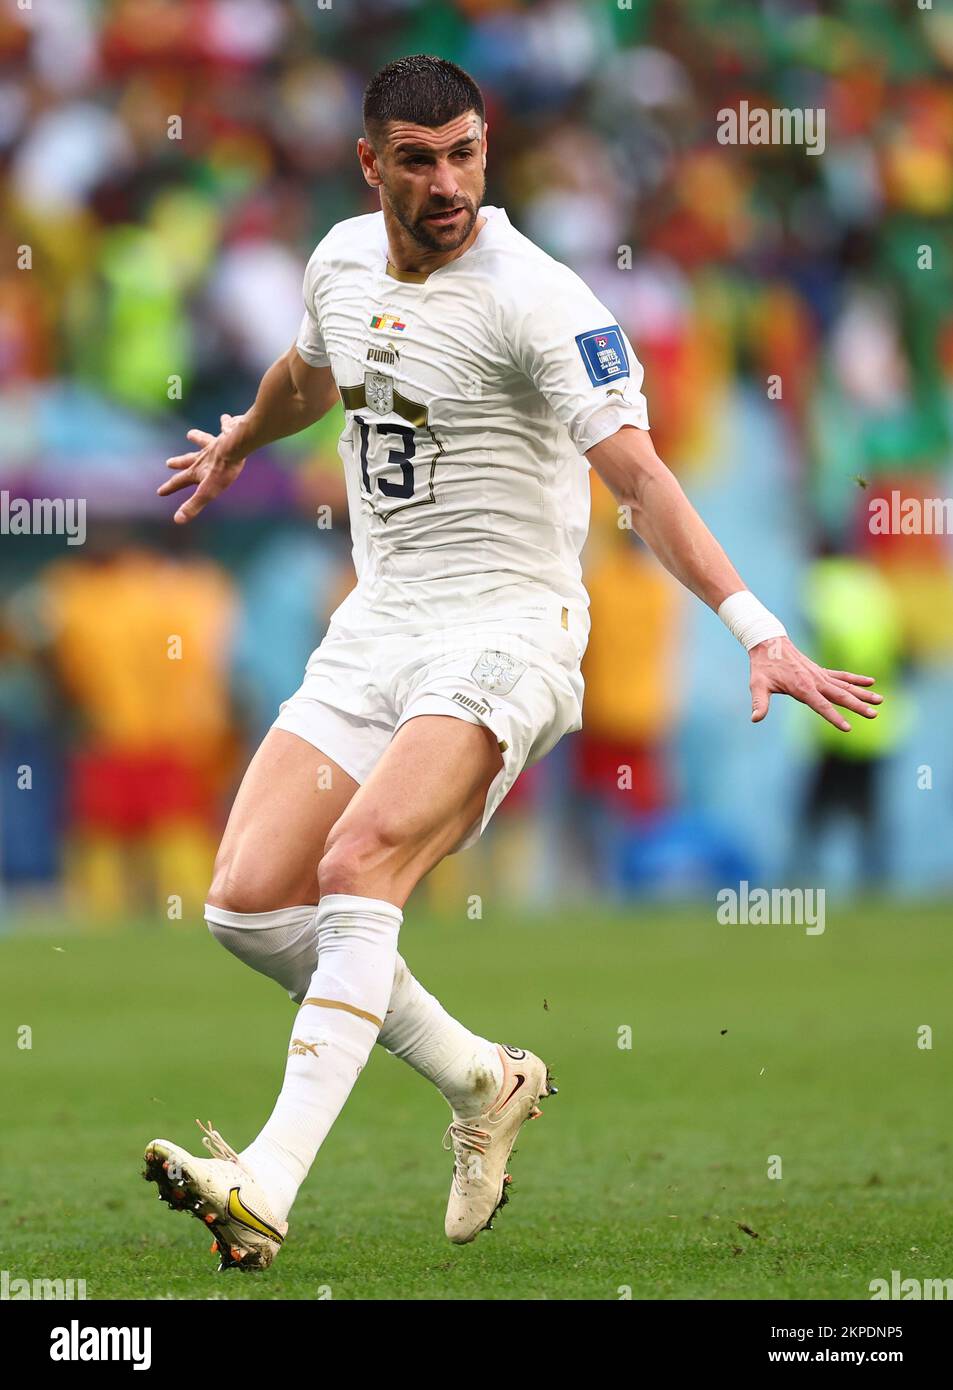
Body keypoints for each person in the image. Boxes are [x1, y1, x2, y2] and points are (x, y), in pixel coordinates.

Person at [143, 55, 882, 1272]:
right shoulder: (334, 259)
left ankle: (264, 1181)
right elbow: (307, 375)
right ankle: (484, 1079)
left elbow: (638, 476)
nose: (448, 183)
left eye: (466, 154)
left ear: (488, 150)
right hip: (378, 625)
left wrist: (756, 625)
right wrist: (237, 438)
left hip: (508, 629)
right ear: (369, 162)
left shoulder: (540, 299)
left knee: (356, 863)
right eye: (420, 159)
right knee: (244, 902)